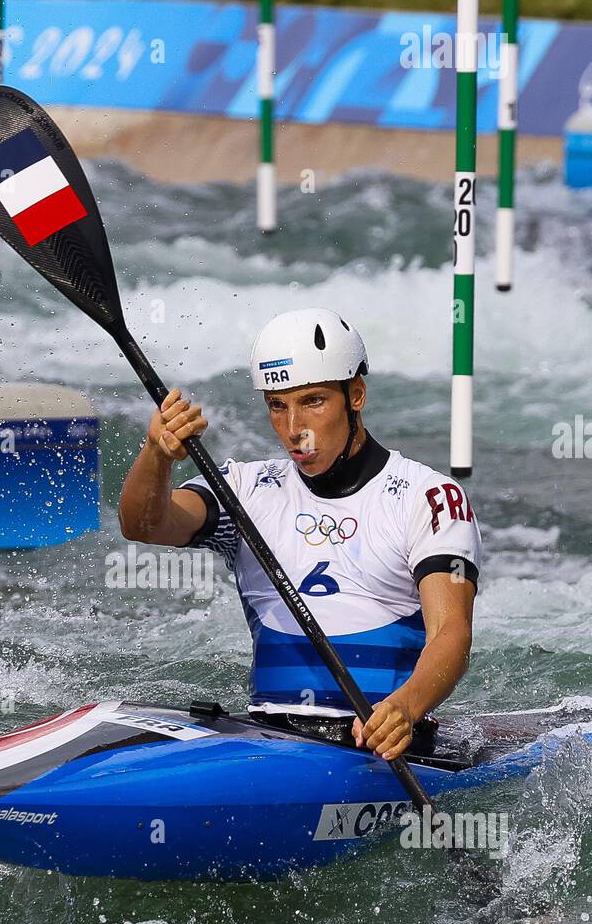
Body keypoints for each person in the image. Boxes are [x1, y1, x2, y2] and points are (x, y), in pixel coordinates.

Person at [117, 308, 482, 762]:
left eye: (313, 401)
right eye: (277, 406)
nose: (294, 429)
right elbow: (144, 525)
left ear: (356, 395)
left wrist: (404, 710)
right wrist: (157, 455)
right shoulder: (247, 490)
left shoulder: (427, 497)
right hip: (269, 739)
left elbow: (451, 633)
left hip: (380, 746)